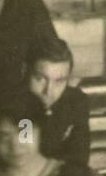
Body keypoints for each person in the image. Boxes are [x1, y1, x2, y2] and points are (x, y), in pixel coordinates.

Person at [26, 36, 90, 168]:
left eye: (59, 81)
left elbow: (79, 157)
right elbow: (24, 159)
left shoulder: (77, 102)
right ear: (24, 71)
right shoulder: (15, 105)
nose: (48, 91)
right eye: (40, 79)